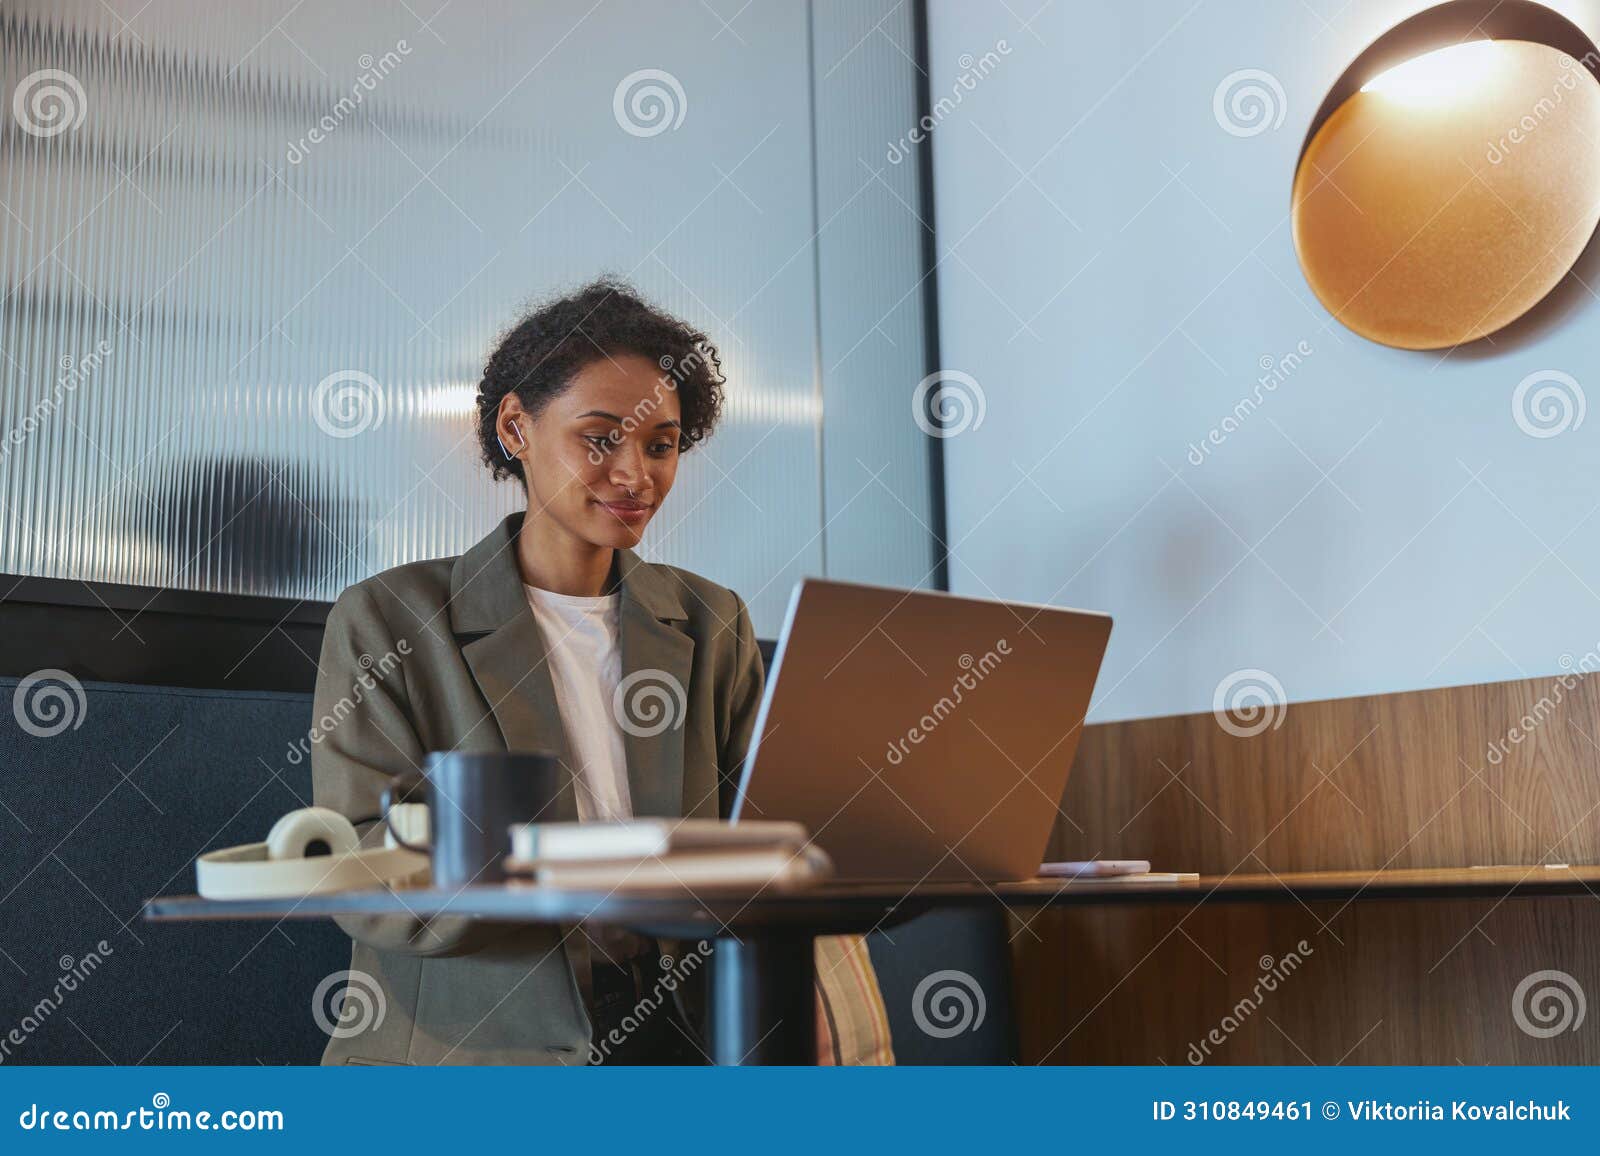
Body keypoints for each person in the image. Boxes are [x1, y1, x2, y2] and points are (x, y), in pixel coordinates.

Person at [309, 276, 894, 1065]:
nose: (635, 475)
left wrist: (801, 983)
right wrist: (555, 872)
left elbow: (771, 838)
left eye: (660, 445)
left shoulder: (709, 620)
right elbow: (358, 865)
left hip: (679, 1031)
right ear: (515, 427)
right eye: (600, 439)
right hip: (476, 1053)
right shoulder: (392, 620)